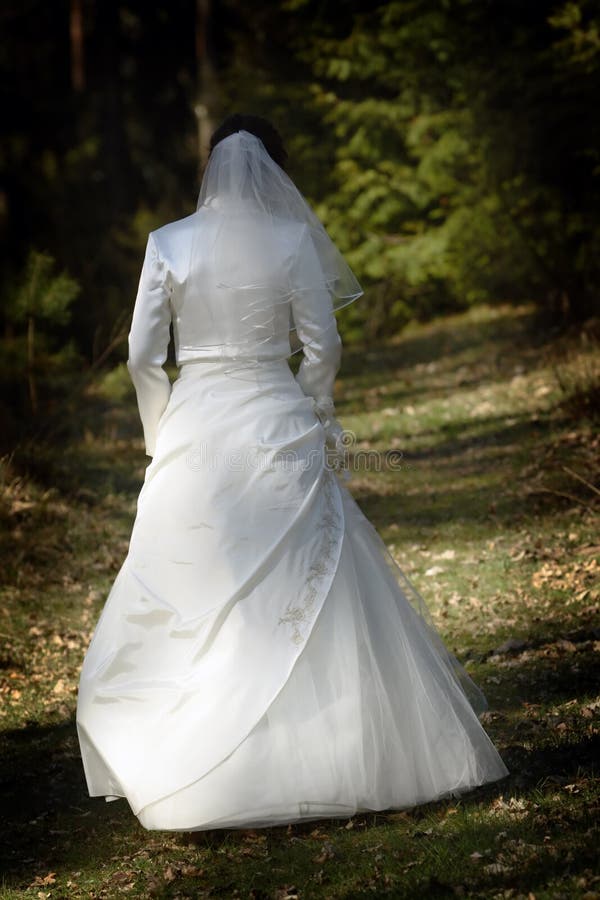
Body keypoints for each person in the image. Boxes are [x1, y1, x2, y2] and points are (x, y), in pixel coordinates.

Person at [76, 113, 508, 832]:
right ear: (275, 168)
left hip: (196, 424)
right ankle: (329, 753)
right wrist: (317, 406)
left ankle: (183, 756)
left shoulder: (168, 243)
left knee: (189, 574)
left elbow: (141, 357)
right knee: (310, 574)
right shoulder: (291, 241)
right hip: (274, 414)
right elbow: (322, 341)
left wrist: (161, 433)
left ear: (209, 169)